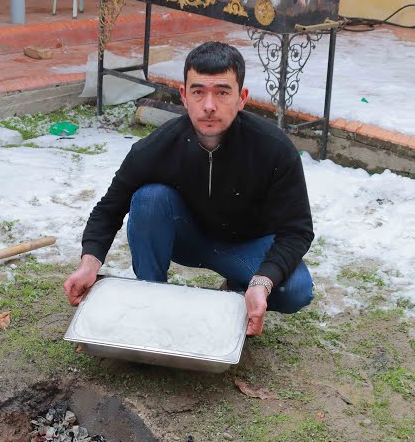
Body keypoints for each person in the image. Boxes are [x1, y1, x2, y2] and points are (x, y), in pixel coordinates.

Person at [63, 41, 315, 336]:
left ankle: (239, 288)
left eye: (222, 92)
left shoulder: (274, 148)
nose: (209, 105)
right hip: (188, 239)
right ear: (184, 96)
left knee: (295, 289)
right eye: (198, 92)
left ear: (242, 97)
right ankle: (151, 300)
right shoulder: (157, 146)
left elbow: (297, 231)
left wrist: (263, 281)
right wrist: (89, 263)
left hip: (247, 246)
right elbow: (109, 208)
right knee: (149, 199)